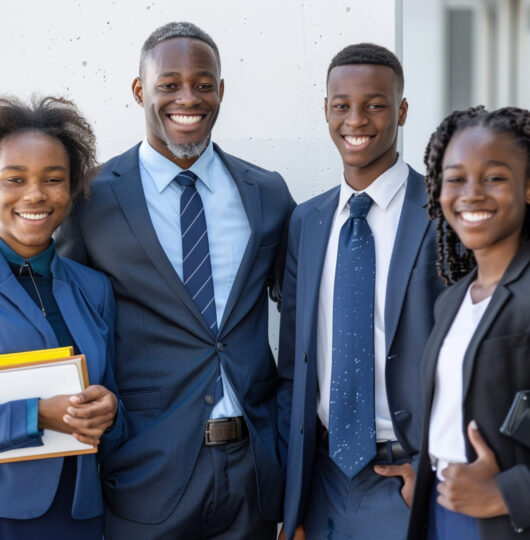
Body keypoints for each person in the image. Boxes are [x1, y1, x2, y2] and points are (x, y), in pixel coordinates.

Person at [55, 21, 295, 539]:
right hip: (144, 473)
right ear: (140, 90)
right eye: (169, 84)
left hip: (254, 474)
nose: (188, 97)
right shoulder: (91, 199)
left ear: (221, 91)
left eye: (203, 84)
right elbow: (67, 322)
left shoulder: (267, 194)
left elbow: (304, 326)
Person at [276, 43, 445, 540]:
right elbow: (293, 369)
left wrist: (436, 470)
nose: (357, 119)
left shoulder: (441, 213)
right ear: (326, 110)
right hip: (323, 479)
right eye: (341, 105)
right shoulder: (306, 220)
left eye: (375, 104)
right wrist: (296, 495)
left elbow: (470, 357)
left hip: (406, 478)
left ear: (403, 110)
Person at [0, 96, 125, 539]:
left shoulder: (94, 287)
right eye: (14, 179)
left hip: (82, 516)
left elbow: (114, 394)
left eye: (54, 179)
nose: (35, 195)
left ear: (72, 191)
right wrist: (35, 416)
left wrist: (111, 411)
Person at [407, 106, 530, 540]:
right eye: (455, 178)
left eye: (494, 177)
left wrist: (508, 494)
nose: (471, 194)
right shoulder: (454, 299)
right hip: (443, 507)